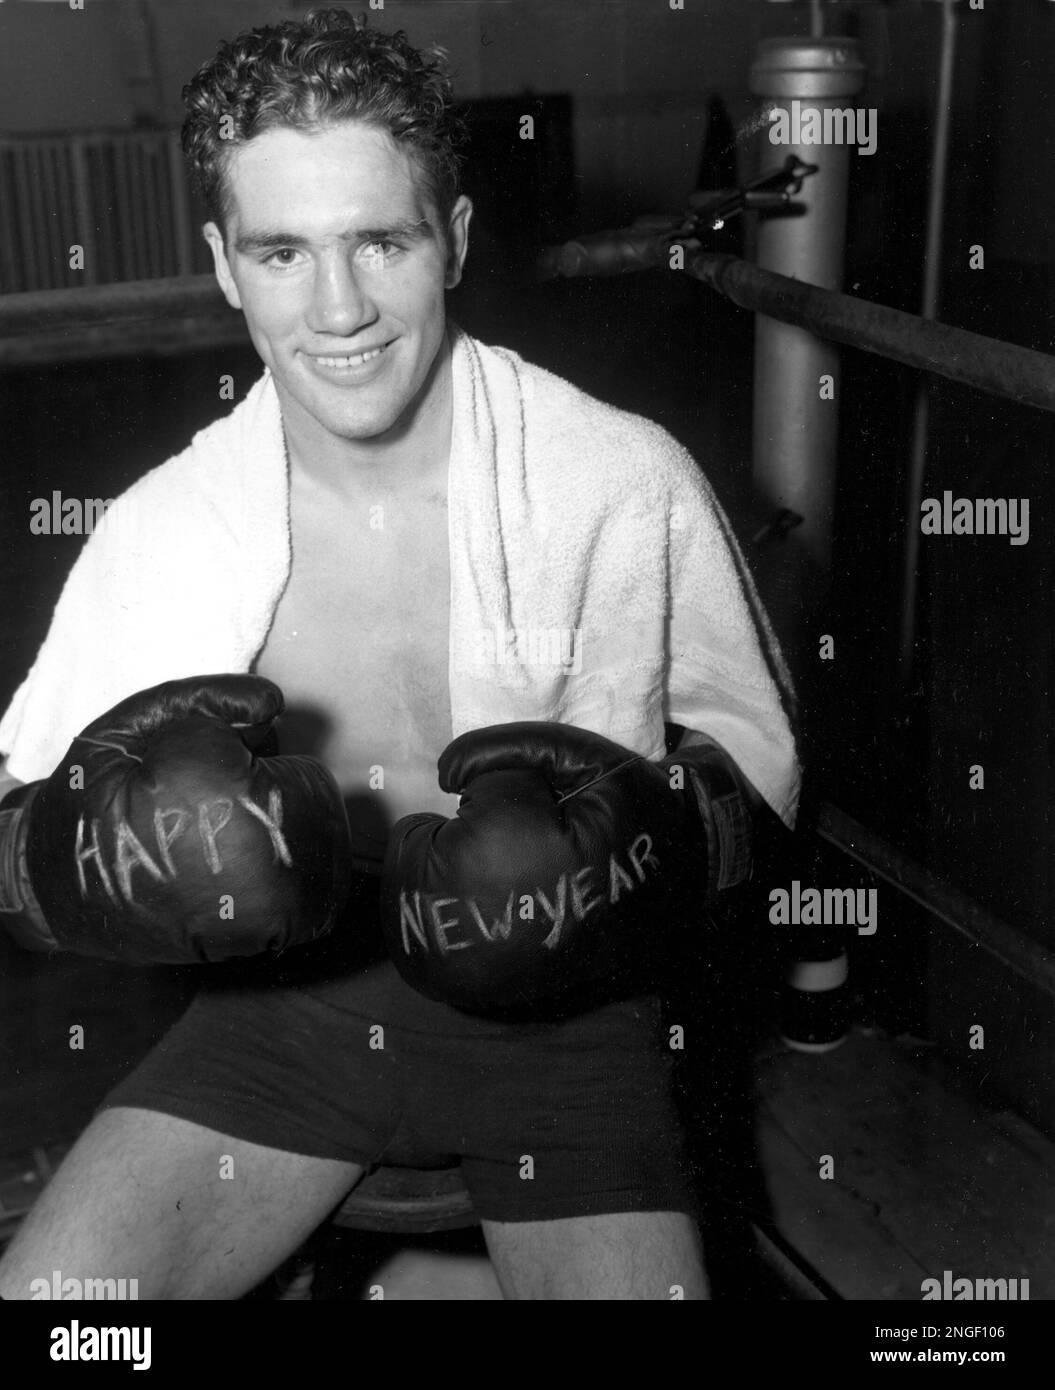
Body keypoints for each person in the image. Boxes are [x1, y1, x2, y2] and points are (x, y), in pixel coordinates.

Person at [0, 9, 798, 1300]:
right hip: (284, 1026)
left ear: (458, 239)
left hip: (565, 1024)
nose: (338, 308)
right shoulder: (168, 530)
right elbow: (15, 825)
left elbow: (760, 764)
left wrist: (644, 850)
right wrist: (90, 854)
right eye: (282, 251)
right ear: (222, 264)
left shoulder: (616, 478)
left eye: (381, 239)